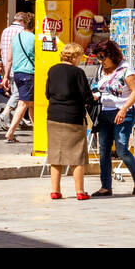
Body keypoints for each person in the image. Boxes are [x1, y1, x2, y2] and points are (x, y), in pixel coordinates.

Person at [91, 38, 135, 196]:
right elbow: (97, 86)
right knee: (104, 150)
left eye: (102, 57)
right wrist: (94, 94)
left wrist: (124, 109)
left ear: (112, 55)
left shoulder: (126, 69)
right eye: (98, 58)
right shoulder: (101, 70)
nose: (101, 61)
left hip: (123, 112)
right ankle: (106, 186)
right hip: (104, 113)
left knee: (121, 150)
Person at [46, 42, 95, 200]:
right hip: (73, 117)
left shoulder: (52, 70)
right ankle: (80, 192)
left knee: (55, 156)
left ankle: (55, 191)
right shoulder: (78, 72)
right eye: (79, 56)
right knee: (77, 156)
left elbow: (48, 93)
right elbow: (86, 96)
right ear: (75, 57)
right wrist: (93, 98)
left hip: (53, 116)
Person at [3, 12, 35, 143]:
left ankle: (37, 131)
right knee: (23, 104)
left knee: (32, 104)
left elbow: (9, 59)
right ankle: (10, 133)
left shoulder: (16, 38)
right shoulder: (34, 38)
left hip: (17, 74)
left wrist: (5, 76)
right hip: (29, 74)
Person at [0, 10, 28, 131]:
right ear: (22, 21)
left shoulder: (5, 31)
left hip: (8, 67)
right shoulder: (21, 31)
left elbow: (1, 50)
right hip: (19, 67)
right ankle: (4, 115)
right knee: (18, 94)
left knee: (18, 94)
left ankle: (19, 120)